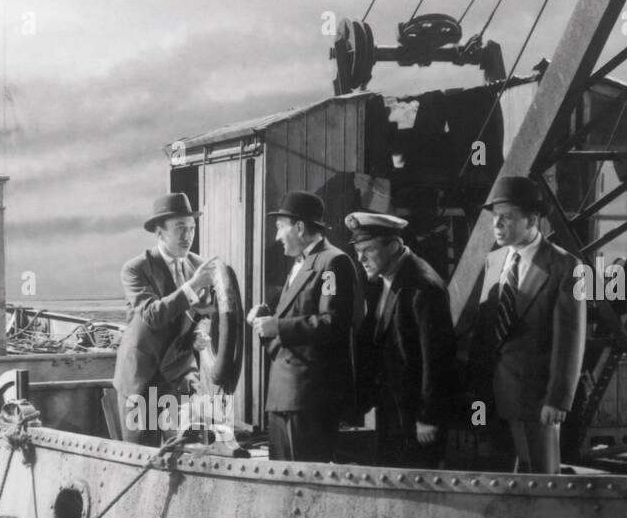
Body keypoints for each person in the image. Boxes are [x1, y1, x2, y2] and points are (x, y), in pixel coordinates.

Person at [466, 175, 585, 474]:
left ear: (532, 219)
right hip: (493, 397)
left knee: (541, 482)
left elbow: (570, 339)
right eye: (495, 218)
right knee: (498, 480)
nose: (497, 226)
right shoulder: (494, 261)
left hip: (537, 401)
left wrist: (558, 399)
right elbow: (484, 332)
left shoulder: (565, 267)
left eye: (506, 218)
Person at [249, 190, 356, 463]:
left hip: (308, 399)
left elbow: (333, 322)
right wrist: (265, 322)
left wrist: (279, 326)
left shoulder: (332, 262)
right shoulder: (302, 264)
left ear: (299, 227)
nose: (276, 237)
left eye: (279, 228)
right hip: (285, 397)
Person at [347, 211, 458, 467]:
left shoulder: (423, 287)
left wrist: (429, 417)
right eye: (358, 251)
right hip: (392, 411)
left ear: (394, 246)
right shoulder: (384, 278)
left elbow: (438, 358)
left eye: (368, 250)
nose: (361, 258)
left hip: (417, 419)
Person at [112, 193, 217, 446]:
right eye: (180, 228)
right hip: (143, 380)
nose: (188, 236)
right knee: (142, 460)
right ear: (159, 233)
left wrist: (200, 331)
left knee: (185, 456)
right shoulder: (136, 269)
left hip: (179, 378)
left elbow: (206, 311)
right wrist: (193, 286)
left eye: (191, 228)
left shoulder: (198, 265)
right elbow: (152, 315)